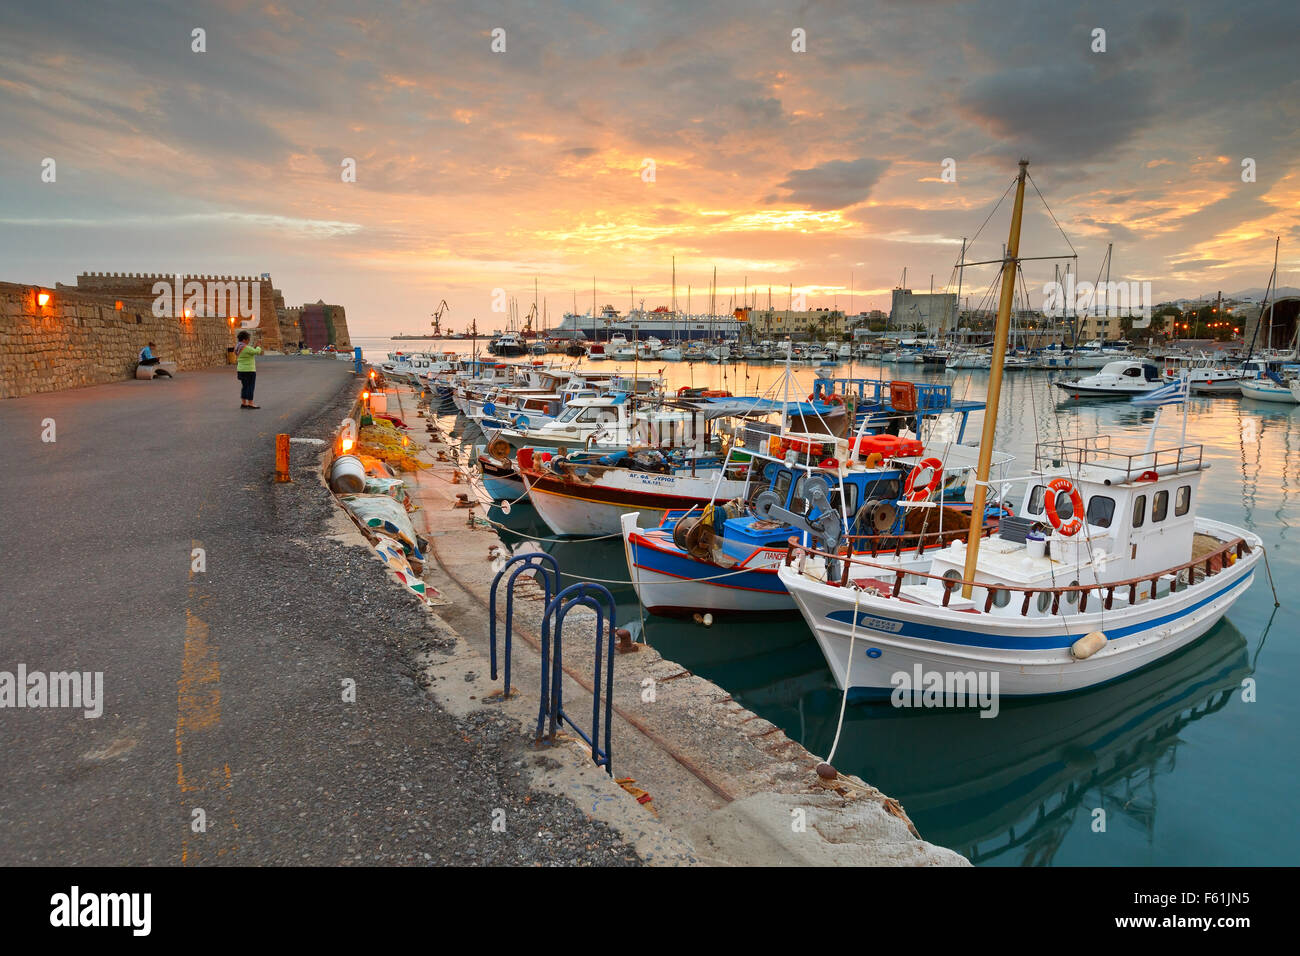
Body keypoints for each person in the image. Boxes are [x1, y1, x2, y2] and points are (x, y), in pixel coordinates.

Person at [234, 330, 264, 409]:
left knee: (244, 386)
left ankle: (244, 403)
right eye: (248, 339)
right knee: (250, 386)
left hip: (241, 370)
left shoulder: (238, 347)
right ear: (244, 339)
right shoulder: (245, 348)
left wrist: (254, 347)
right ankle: (250, 403)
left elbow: (250, 352)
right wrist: (258, 346)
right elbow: (257, 352)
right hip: (249, 370)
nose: (249, 340)